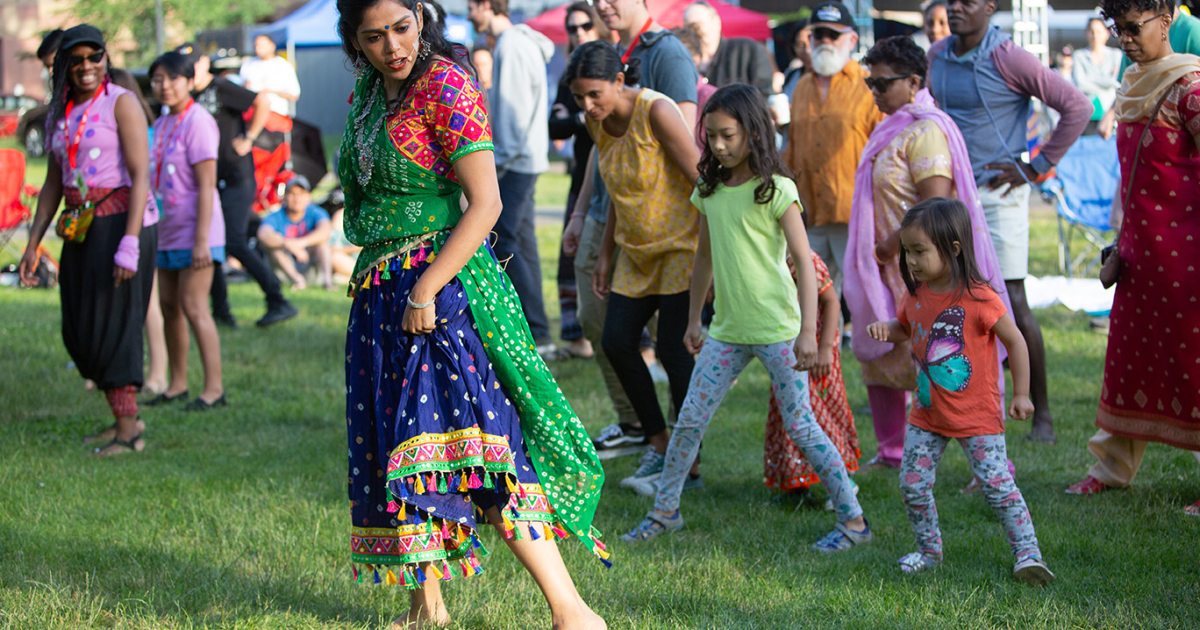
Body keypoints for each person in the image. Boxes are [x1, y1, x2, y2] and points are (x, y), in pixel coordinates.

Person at [334, 1, 606, 627]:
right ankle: (425, 606)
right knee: (400, 448)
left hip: (439, 290)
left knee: (476, 449)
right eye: (374, 37)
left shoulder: (447, 86)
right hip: (380, 292)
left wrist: (427, 288)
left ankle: (572, 611)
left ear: (422, 20)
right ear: (355, 40)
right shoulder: (368, 97)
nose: (392, 46)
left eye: (402, 28)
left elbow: (485, 203)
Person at [622, 84, 871, 551]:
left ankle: (854, 520)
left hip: (780, 333)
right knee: (690, 419)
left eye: (728, 136)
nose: (718, 145)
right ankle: (664, 511)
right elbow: (703, 258)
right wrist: (694, 319)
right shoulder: (709, 190)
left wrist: (807, 335)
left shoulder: (777, 190)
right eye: (711, 136)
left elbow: (804, 260)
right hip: (727, 333)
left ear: (753, 133)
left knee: (802, 426)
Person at [928, 0, 1092, 444]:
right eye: (951, 2)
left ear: (989, 7)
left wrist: (1035, 167)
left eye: (967, 2)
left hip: (1000, 196)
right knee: (953, 306)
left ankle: (1042, 415)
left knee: (1011, 302)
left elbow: (1077, 106)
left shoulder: (1009, 57)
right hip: (950, 199)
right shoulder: (937, 55)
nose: (956, 9)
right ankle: (965, 413)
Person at [843, 35, 1011, 470]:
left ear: (914, 80)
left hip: (918, 266)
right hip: (888, 268)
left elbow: (934, 203)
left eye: (883, 84)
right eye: (870, 83)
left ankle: (989, 464)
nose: (875, 93)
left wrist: (888, 246)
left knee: (944, 362)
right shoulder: (892, 127)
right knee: (882, 354)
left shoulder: (927, 132)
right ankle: (893, 450)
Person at [866, 198, 1053, 585]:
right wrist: (889, 328)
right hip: (927, 412)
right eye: (907, 251)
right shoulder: (915, 295)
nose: (912, 261)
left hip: (977, 416)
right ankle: (930, 551)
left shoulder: (979, 297)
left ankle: (1028, 554)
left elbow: (1015, 341)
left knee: (998, 487)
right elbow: (906, 326)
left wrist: (1021, 394)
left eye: (920, 251)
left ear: (952, 248)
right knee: (912, 485)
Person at [1065, 0, 1200, 516]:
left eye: (1133, 27)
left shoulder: (1189, 89)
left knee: (1194, 361)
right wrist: (1121, 240)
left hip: (1189, 254)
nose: (1123, 37)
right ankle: (1110, 470)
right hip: (1141, 251)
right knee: (1128, 361)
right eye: (1115, 27)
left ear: (1166, 23)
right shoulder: (1131, 86)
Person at [564, 0, 700, 458]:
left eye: (595, 94)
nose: (587, 105)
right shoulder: (597, 122)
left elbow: (702, 180)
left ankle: (687, 461)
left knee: (673, 351)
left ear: (619, 81)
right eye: (579, 97)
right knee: (617, 341)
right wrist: (605, 254)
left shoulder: (656, 111)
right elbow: (618, 188)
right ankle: (658, 441)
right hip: (635, 253)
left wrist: (717, 251)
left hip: (681, 250)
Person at [18, 24, 158, 455]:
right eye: (75, 60)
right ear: (63, 65)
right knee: (79, 327)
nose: (86, 67)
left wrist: (130, 243)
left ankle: (128, 428)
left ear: (105, 60)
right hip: (81, 226)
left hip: (123, 223)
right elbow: (53, 185)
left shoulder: (122, 102)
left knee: (113, 325)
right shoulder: (59, 112)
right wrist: (32, 243)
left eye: (93, 58)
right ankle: (120, 419)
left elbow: (140, 177)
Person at [180, 44, 298, 329]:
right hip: (211, 182)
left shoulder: (221, 87)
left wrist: (250, 138)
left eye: (194, 65)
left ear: (204, 63)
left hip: (237, 178)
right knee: (213, 243)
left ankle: (277, 299)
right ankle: (221, 312)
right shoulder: (190, 97)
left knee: (231, 240)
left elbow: (262, 102)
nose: (190, 72)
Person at [466, 0, 557, 353]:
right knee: (523, 244)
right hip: (522, 159)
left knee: (503, 244)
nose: (470, 15)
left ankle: (523, 330)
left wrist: (497, 162)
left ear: (485, 5)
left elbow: (515, 117)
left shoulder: (512, 45)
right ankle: (538, 331)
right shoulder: (513, 43)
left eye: (471, 8)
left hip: (516, 161)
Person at [784, 1, 883, 295]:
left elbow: (883, 149)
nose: (825, 41)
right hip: (810, 212)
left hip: (853, 213)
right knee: (809, 297)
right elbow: (793, 146)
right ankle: (825, 344)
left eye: (833, 34)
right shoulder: (801, 87)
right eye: (819, 34)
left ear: (852, 39)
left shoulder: (868, 85)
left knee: (863, 295)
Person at [147, 52, 227, 412]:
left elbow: (207, 185)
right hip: (166, 229)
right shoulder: (162, 124)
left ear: (188, 81)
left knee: (195, 307)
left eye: (172, 79)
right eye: (157, 80)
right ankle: (176, 384)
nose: (164, 86)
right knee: (168, 307)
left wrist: (201, 241)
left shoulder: (199, 121)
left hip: (198, 233)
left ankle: (214, 389)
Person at [762, 251, 860, 500]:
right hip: (788, 352)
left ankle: (841, 482)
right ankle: (797, 482)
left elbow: (831, 301)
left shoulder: (803, 260)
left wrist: (826, 347)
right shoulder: (770, 258)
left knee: (820, 417)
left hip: (816, 353)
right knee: (789, 415)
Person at [548, 1, 611, 361]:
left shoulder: (608, 65)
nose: (579, 33)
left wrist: (572, 115)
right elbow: (555, 125)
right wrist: (578, 118)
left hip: (613, 179)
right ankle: (580, 337)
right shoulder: (567, 74)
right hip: (581, 178)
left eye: (585, 25)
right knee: (571, 259)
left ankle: (635, 342)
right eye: (572, 28)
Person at [257, 175, 333, 290]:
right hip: (284, 267)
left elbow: (325, 230)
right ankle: (297, 280)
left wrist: (301, 243)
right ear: (285, 197)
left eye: (301, 194)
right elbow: (263, 234)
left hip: (308, 262)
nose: (297, 199)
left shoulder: (315, 212)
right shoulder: (276, 216)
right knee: (274, 248)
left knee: (322, 244)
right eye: (292, 194)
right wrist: (287, 244)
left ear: (308, 197)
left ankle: (328, 282)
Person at [682, 0, 774, 94]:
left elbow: (764, 94)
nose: (694, 32)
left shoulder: (747, 50)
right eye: (688, 27)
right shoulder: (684, 61)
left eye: (698, 25)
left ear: (716, 23)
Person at [238, 34, 302, 119]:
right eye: (256, 45)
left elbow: (294, 95)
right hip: (249, 114)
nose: (258, 49)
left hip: (275, 117)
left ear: (272, 46)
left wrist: (270, 91)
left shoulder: (283, 66)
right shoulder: (248, 64)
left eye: (261, 46)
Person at [1074, 17, 1123, 124]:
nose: (1095, 35)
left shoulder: (1116, 54)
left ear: (1107, 33)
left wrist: (1090, 80)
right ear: (1086, 33)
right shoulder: (1079, 56)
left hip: (1111, 112)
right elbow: (1080, 84)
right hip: (1088, 113)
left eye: (1099, 32)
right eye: (1091, 31)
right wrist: (1107, 83)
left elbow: (1117, 82)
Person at [781, 22, 812, 99]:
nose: (807, 50)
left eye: (812, 43)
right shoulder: (791, 75)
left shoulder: (832, 79)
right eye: (801, 45)